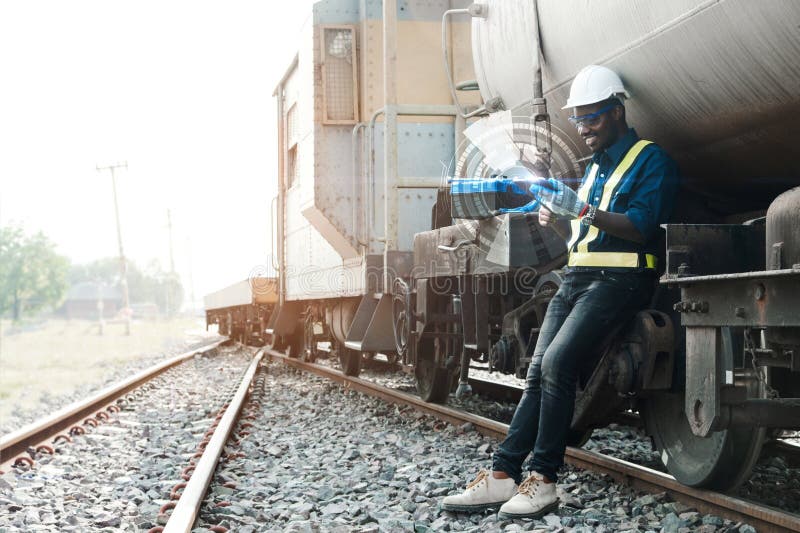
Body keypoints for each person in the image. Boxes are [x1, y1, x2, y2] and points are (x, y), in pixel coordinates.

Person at [441, 64, 680, 519]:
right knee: (537, 371)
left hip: (620, 280)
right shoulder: (596, 168)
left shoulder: (653, 161)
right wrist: (563, 215)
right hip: (578, 278)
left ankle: (545, 480)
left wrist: (584, 211)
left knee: (557, 364)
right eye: (578, 119)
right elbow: (586, 224)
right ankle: (501, 475)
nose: (583, 128)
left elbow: (641, 227)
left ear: (616, 111)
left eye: (592, 118)